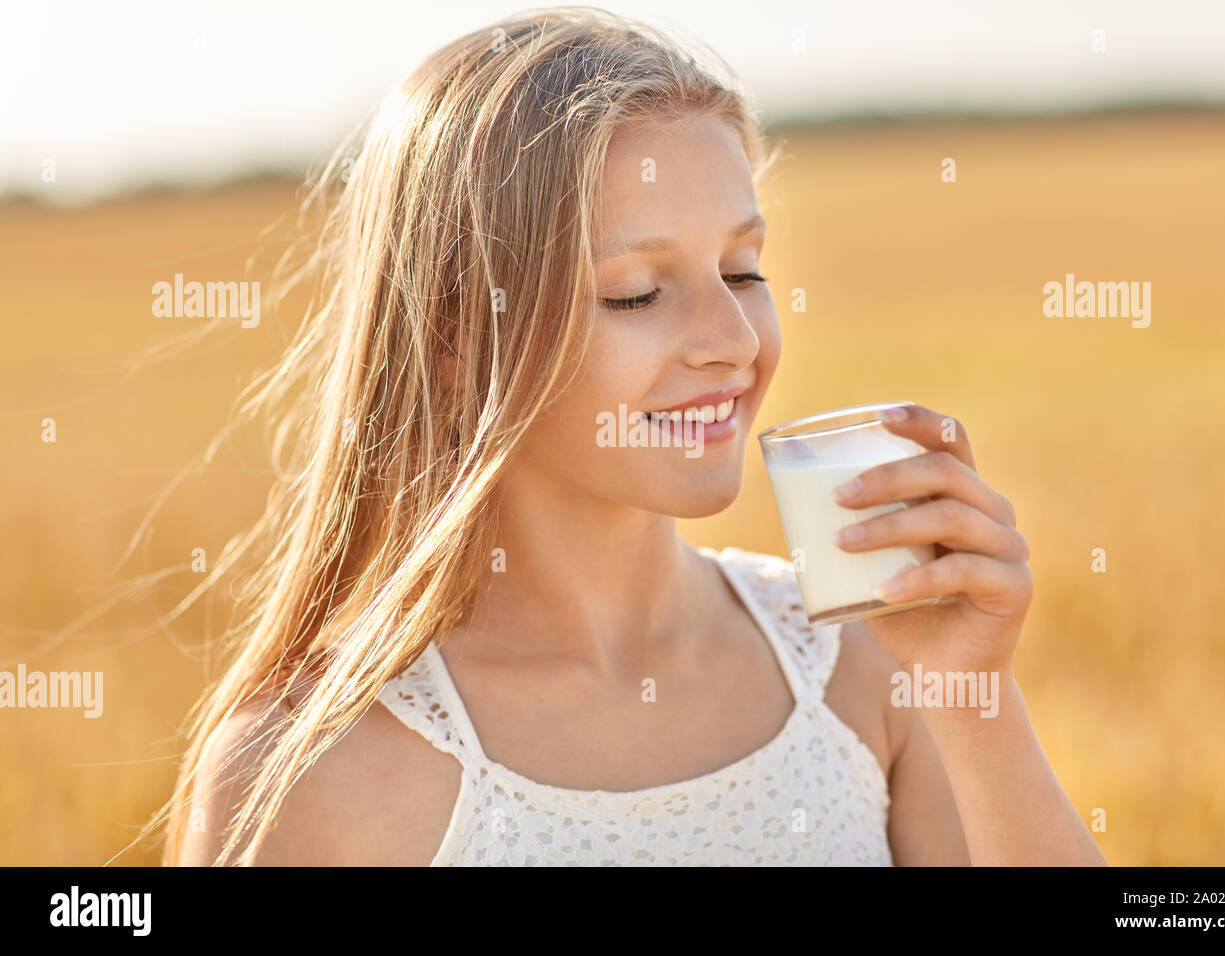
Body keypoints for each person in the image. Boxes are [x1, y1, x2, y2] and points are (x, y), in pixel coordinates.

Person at [164, 6, 1104, 866]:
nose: (733, 343)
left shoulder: (864, 668)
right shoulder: (315, 770)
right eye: (637, 293)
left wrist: (974, 699)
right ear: (456, 339)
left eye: (742, 271)